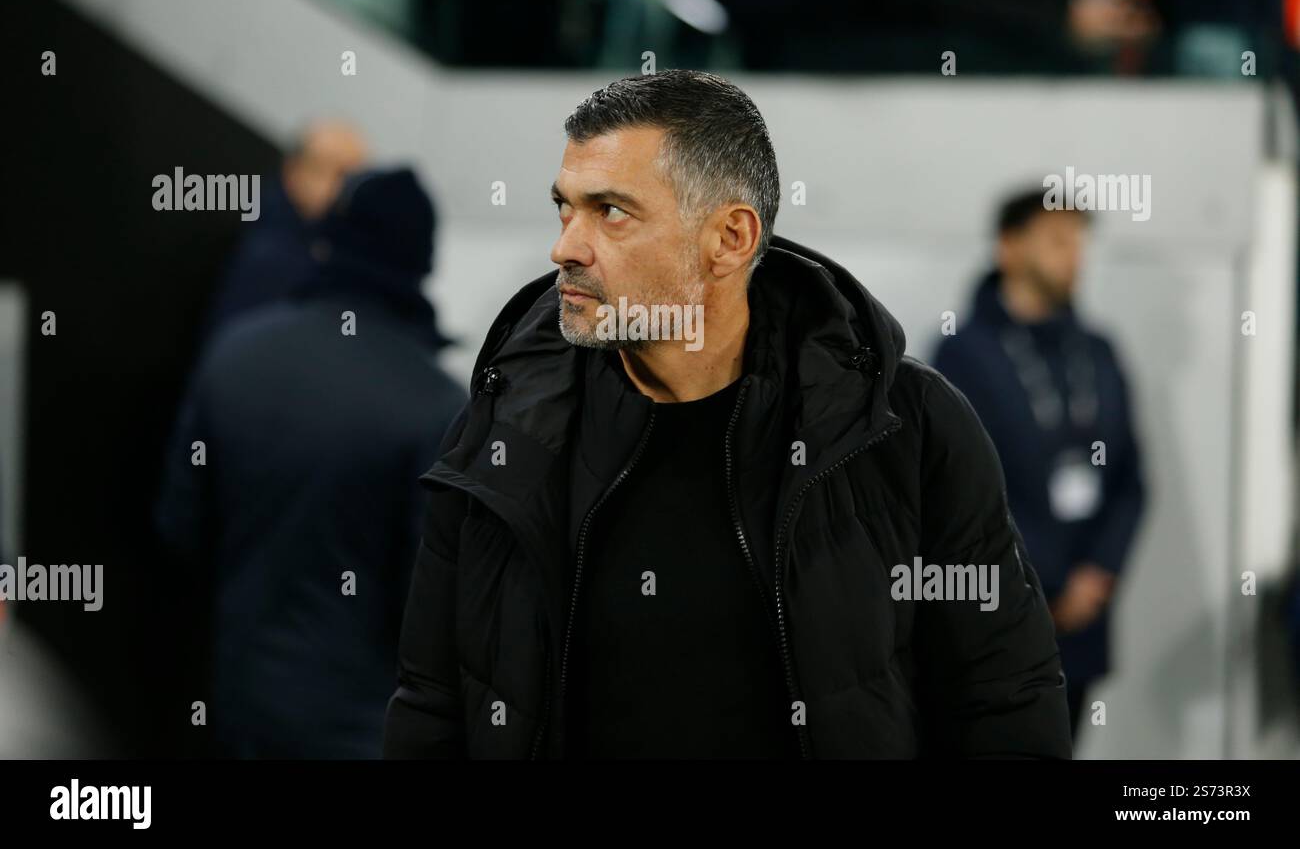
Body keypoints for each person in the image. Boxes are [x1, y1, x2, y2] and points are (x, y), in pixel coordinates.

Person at [384, 70, 1071, 759]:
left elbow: (1005, 699)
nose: (566, 246)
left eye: (611, 212)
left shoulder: (906, 427)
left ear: (731, 238)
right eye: (564, 207)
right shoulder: (506, 429)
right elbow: (433, 704)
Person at [156, 169, 465, 758]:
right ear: (422, 261)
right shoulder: (436, 407)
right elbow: (434, 609)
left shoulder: (237, 353)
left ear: (330, 241)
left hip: (237, 703)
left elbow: (180, 525)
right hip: (364, 726)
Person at [933, 186, 1146, 738]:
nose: (1074, 256)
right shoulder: (962, 353)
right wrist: (1039, 583)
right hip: (999, 616)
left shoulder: (1098, 351)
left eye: (1078, 242)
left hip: (1082, 619)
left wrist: (1098, 573)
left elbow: (1131, 479)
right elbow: (954, 489)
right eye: (1056, 241)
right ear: (1009, 247)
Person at [203, 119, 369, 338]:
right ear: (295, 171)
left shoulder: (324, 248)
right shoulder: (272, 254)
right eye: (337, 173)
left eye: (358, 179)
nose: (347, 189)